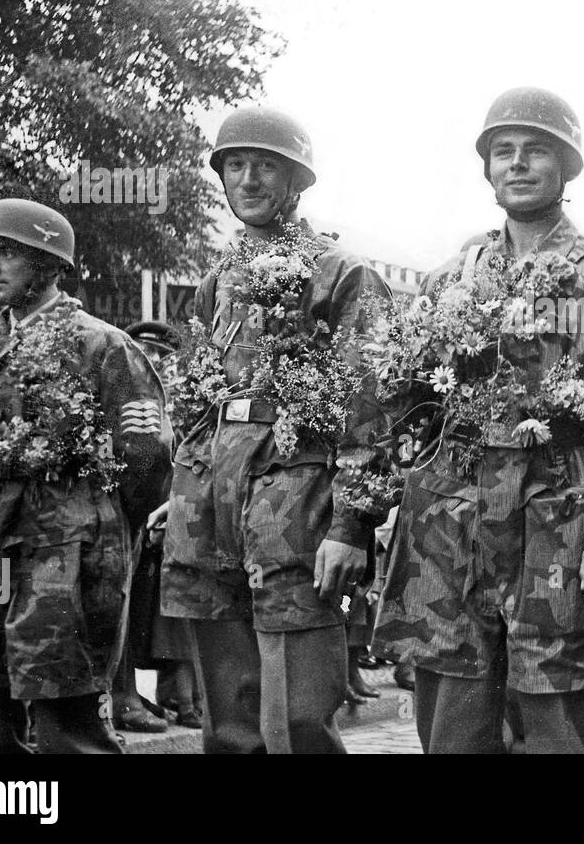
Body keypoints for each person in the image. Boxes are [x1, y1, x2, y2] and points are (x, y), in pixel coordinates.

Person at [372, 87, 584, 754]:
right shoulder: (450, 277)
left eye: (536, 150)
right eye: (502, 152)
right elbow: (404, 403)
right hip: (452, 522)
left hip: (561, 514)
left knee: (564, 718)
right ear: (487, 169)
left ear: (567, 166)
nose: (517, 164)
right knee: (452, 721)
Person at [159, 108, 390, 753]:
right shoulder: (215, 280)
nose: (249, 179)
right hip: (211, 506)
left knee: (296, 718)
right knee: (228, 721)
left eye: (267, 166)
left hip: (294, 506)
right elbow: (202, 397)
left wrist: (350, 525)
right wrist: (180, 489)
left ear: (297, 181)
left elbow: (369, 405)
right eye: (236, 165)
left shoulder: (343, 274)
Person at [0, 199, 170, 753]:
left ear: (51, 264)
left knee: (65, 713)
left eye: (8, 252)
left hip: (65, 543)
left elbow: (145, 458)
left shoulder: (103, 344)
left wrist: (99, 528)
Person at [120, 320, 201, 730]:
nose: (153, 362)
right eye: (145, 352)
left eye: (163, 357)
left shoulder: (183, 403)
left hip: (172, 518)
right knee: (128, 610)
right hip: (132, 515)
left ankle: (177, 694)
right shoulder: (125, 396)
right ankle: (126, 695)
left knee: (165, 612)